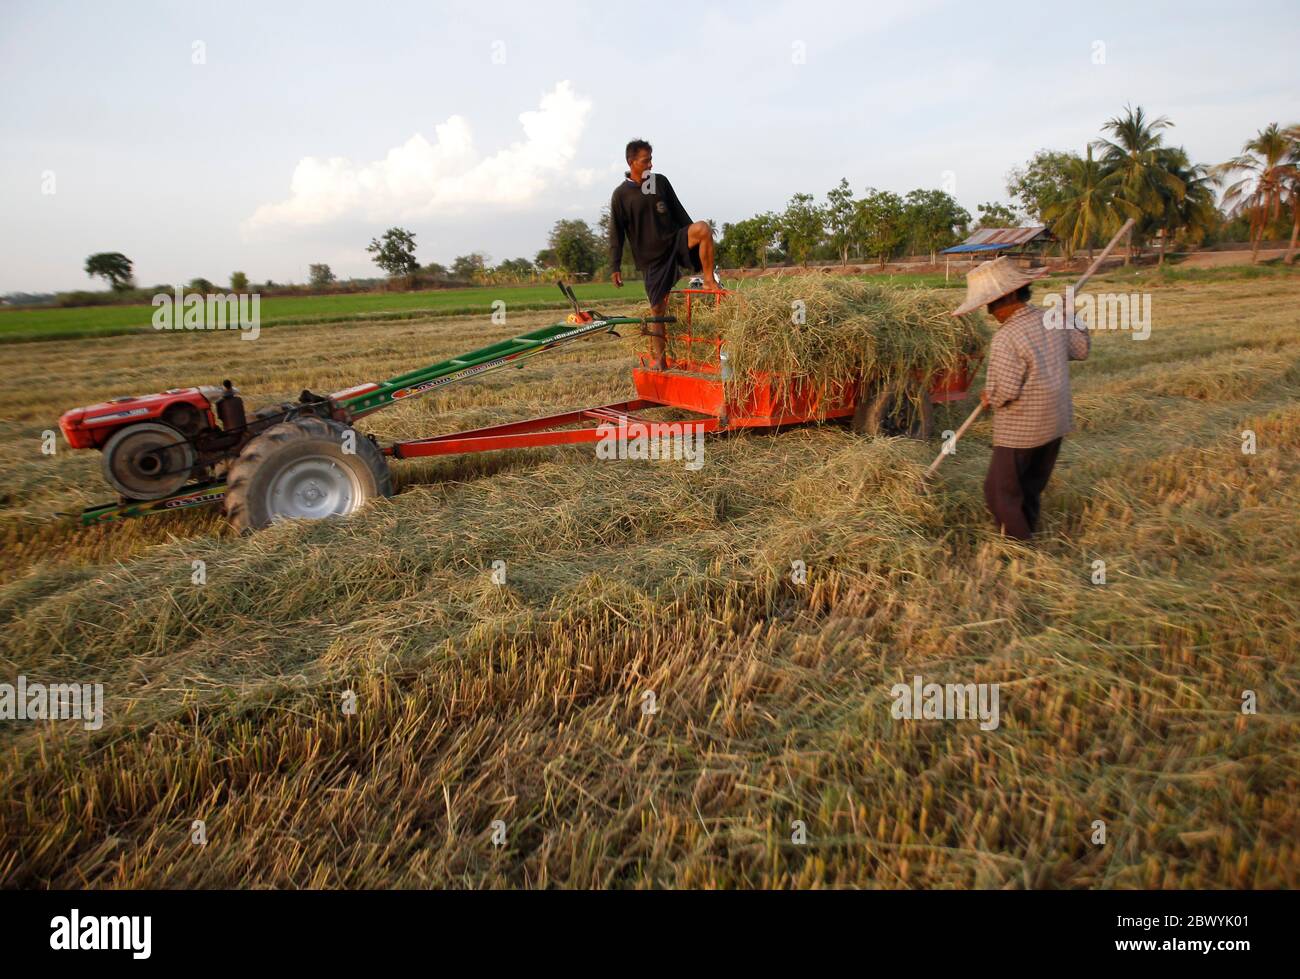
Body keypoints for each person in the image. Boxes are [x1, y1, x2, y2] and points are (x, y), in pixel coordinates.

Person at [951, 257, 1090, 541]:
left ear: (1013, 294)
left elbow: (1007, 391)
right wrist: (1070, 313)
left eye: (993, 302)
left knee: (998, 492)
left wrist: (991, 396)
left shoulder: (1006, 337)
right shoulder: (1052, 319)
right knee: (1029, 487)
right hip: (1056, 423)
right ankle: (1028, 530)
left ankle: (1020, 548)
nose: (990, 311)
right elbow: (1081, 348)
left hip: (1022, 430)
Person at [608, 139, 719, 369]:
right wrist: (615, 266)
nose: (651, 163)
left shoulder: (660, 182)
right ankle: (660, 359)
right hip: (651, 259)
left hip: (673, 242)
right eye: (645, 160)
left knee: (703, 229)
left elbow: (679, 211)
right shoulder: (621, 195)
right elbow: (616, 233)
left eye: (651, 158)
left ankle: (709, 281)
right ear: (631, 162)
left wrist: (694, 245)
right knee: (658, 310)